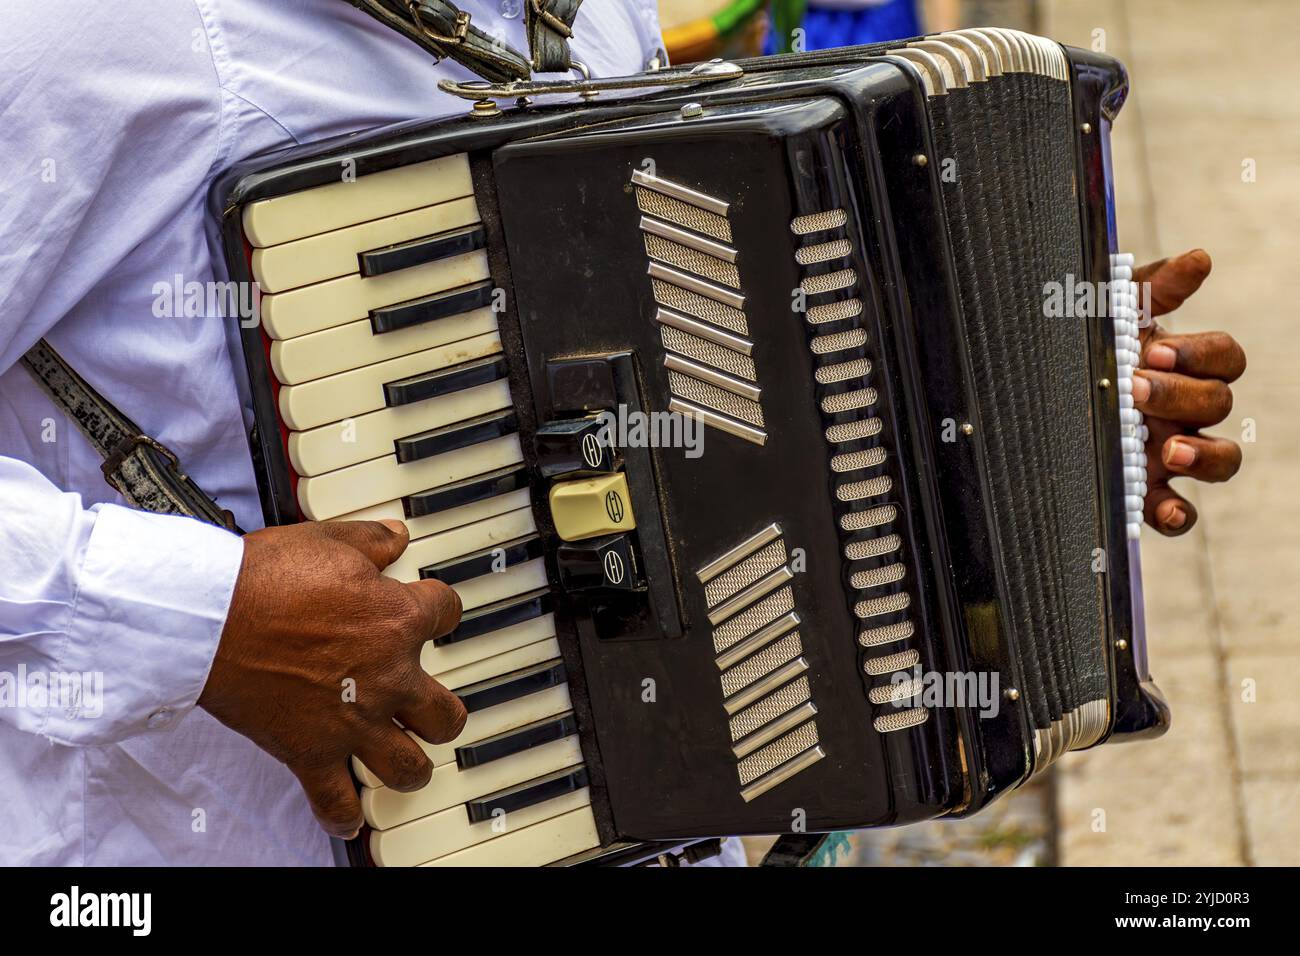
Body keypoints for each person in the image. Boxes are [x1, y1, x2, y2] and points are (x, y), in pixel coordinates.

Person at [0, 0, 1242, 866]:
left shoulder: (586, 9)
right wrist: (200, 614)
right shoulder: (80, 34)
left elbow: (700, 375)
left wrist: (1022, 412)